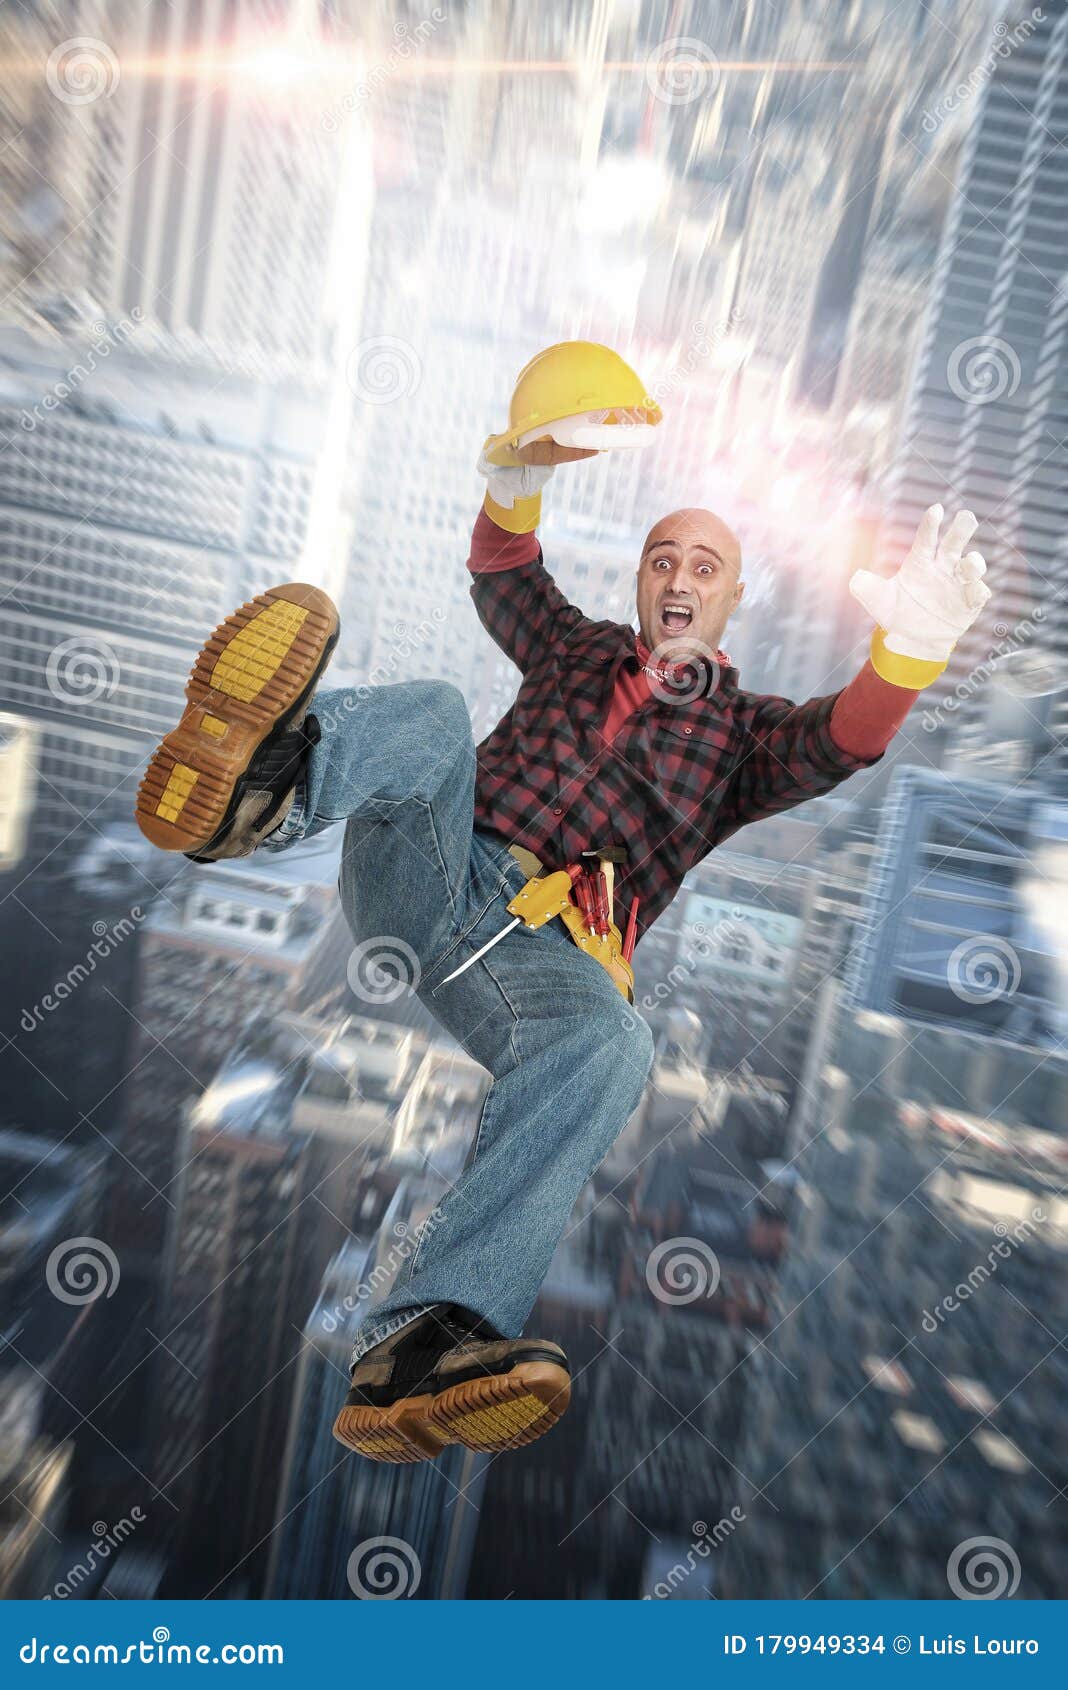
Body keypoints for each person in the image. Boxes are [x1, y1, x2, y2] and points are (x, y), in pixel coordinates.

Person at [134, 343, 990, 1465]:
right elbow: (503, 573)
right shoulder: (577, 650)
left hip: (539, 969)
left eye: (707, 566)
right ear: (642, 581)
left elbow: (844, 741)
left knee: (618, 1047)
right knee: (437, 711)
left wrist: (912, 649)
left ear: (735, 597)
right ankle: (250, 801)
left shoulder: (744, 740)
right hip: (430, 878)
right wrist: (517, 477)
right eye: (662, 559)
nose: (681, 578)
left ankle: (424, 1343)